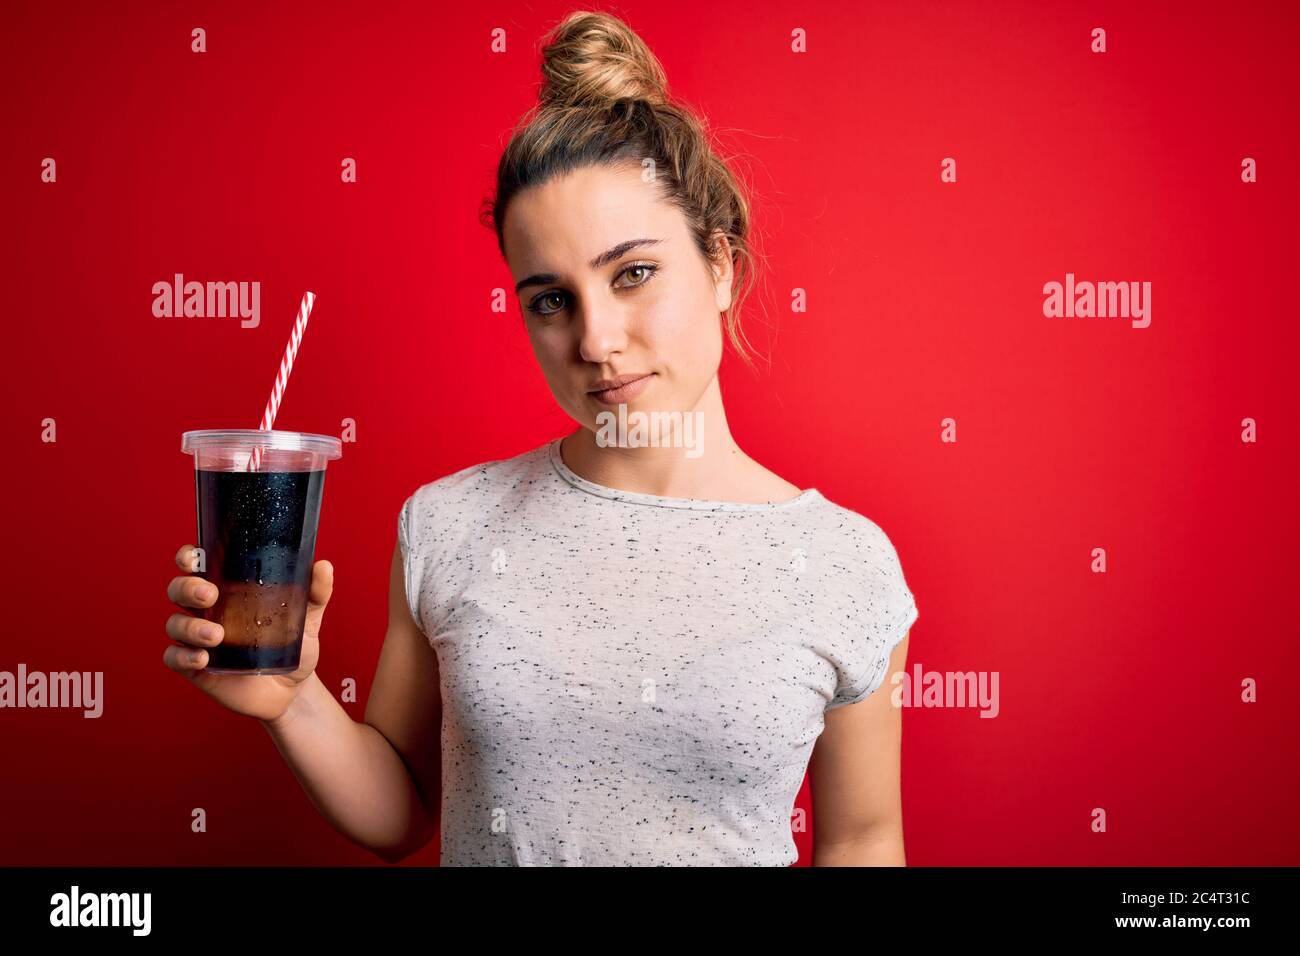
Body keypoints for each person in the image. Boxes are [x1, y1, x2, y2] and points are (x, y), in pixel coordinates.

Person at [163, 9, 918, 866]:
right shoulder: (450, 525)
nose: (594, 340)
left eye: (633, 274)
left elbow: (862, 837)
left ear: (720, 264)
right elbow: (403, 810)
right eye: (550, 299)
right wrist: (292, 700)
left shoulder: (844, 563)